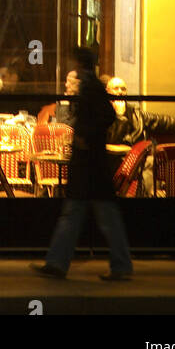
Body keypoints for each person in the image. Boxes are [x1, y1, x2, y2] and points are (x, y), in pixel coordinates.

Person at [34, 47, 133, 281]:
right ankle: (62, 263)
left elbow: (105, 116)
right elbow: (105, 116)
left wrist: (84, 137)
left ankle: (60, 263)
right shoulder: (93, 85)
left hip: (89, 163)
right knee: (96, 215)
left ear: (80, 64)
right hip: (92, 164)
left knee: (84, 214)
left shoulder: (91, 87)